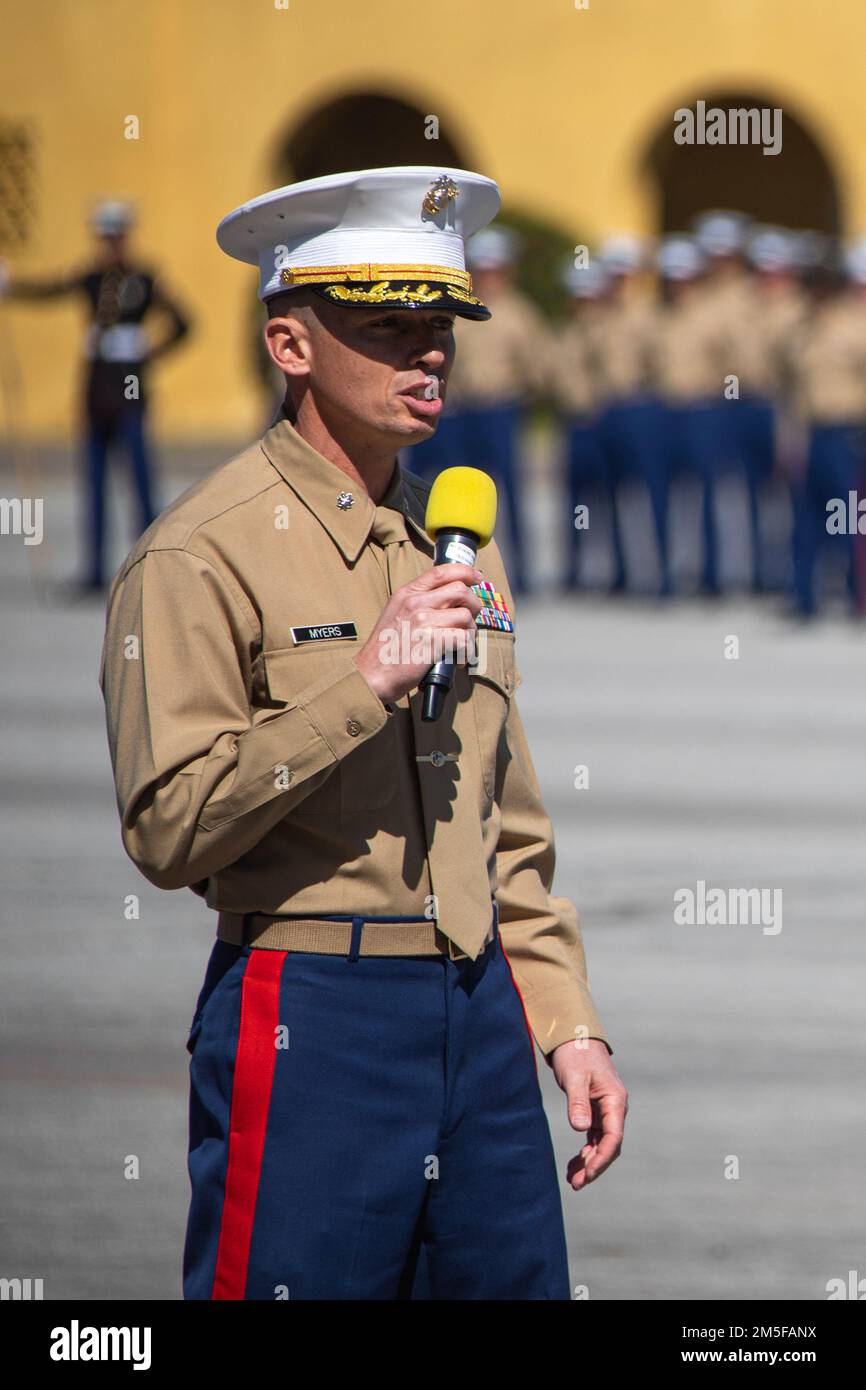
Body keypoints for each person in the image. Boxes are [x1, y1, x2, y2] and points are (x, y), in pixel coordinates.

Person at [99, 165, 627, 1301]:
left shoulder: (457, 539)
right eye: (387, 325)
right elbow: (169, 826)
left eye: (439, 324)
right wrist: (362, 682)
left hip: (481, 1017)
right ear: (290, 346)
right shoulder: (200, 553)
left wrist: (564, 1021)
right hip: (312, 1013)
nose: (426, 351)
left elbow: (506, 822)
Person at [0, 199, 191, 592]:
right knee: (95, 483)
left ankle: (151, 567)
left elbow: (184, 323)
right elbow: (50, 289)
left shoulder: (145, 278)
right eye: (105, 235)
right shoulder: (89, 277)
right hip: (96, 391)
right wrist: (10, 285)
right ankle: (93, 571)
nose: (111, 242)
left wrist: (147, 348)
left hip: (130, 388)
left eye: (116, 234)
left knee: (139, 482)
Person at [412, 226, 553, 594]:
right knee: (456, 493)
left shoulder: (520, 313)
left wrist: (522, 395)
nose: (490, 276)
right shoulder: (462, 308)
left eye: (496, 268)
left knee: (511, 489)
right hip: (459, 411)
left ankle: (519, 572)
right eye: (484, 268)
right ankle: (454, 565)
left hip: (501, 408)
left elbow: (538, 365)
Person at [782, 240, 866, 617]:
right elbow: (789, 386)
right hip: (811, 431)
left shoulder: (856, 327)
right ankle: (804, 597)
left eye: (820, 287)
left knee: (849, 516)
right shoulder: (799, 333)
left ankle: (855, 595)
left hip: (847, 430)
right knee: (806, 517)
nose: (813, 295)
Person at [652, 234, 734, 596]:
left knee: (706, 494)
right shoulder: (657, 318)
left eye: (683, 278)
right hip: (667, 412)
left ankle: (711, 575)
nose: (677, 285)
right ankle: (666, 575)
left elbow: (730, 364)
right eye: (672, 278)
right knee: (663, 497)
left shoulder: (713, 317)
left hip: (701, 409)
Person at [549, 260, 612, 590]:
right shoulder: (565, 332)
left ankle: (618, 570)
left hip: (604, 422)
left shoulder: (609, 331)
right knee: (574, 501)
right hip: (573, 421)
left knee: (608, 498)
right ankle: (573, 570)